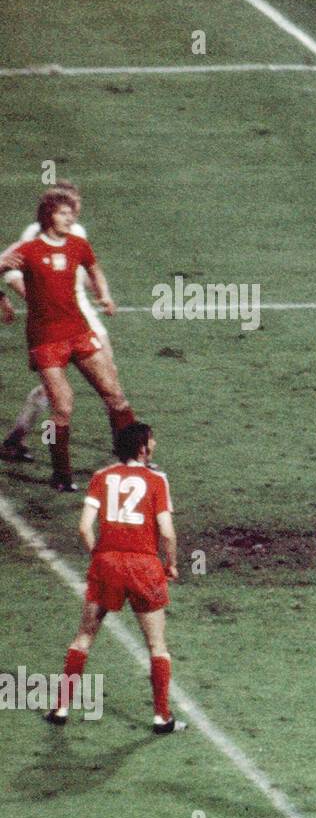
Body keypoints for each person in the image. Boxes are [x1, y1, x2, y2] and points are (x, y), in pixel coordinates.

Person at [44, 423, 184, 733]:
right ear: (142, 448)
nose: (154, 444)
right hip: (144, 567)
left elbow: (83, 528)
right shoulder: (157, 480)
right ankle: (162, 717)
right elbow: (168, 533)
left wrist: (99, 556)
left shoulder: (101, 477)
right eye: (151, 440)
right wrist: (171, 565)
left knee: (83, 637)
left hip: (107, 564)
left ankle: (60, 708)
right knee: (157, 645)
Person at [0, 189, 135, 491]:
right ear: (48, 215)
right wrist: (3, 301)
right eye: (64, 212)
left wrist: (105, 294)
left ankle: (131, 459)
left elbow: (95, 269)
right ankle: (61, 475)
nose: (71, 217)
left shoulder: (78, 244)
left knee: (115, 393)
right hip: (46, 341)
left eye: (72, 213)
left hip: (79, 333)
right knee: (62, 407)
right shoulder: (29, 249)